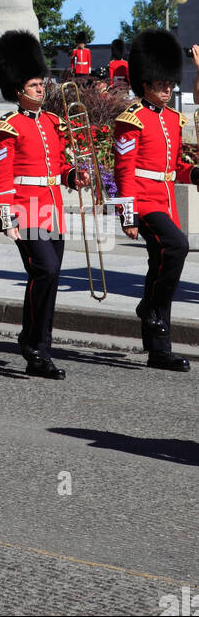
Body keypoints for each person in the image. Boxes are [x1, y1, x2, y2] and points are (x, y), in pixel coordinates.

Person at [0, 31, 90, 379]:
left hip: (53, 209)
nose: (40, 89)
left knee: (51, 276)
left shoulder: (52, 123)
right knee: (44, 271)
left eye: (40, 83)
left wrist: (73, 174)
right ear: (17, 89)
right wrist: (7, 217)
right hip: (26, 210)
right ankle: (34, 345)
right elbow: (0, 178)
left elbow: (58, 166)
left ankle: (39, 344)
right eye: (32, 85)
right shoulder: (7, 128)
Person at [113, 30, 199, 371]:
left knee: (159, 266)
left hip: (166, 201)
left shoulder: (173, 120)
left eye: (170, 85)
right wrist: (127, 215)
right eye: (162, 85)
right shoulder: (130, 119)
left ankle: (158, 348)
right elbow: (124, 171)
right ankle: (149, 307)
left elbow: (175, 168)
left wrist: (194, 175)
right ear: (146, 84)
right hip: (145, 203)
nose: (168, 90)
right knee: (177, 246)